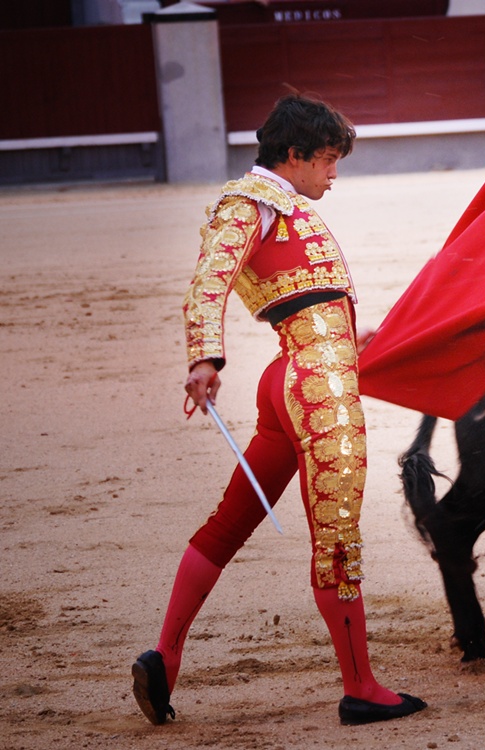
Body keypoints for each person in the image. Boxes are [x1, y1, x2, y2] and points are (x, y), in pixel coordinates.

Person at [131, 92, 427, 727]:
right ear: (292, 156)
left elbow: (306, 302)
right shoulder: (252, 202)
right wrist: (204, 358)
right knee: (337, 542)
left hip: (288, 379)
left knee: (229, 523)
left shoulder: (274, 204)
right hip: (314, 387)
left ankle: (166, 656)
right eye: (325, 160)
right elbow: (207, 283)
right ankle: (361, 686)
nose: (333, 173)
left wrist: (357, 340)